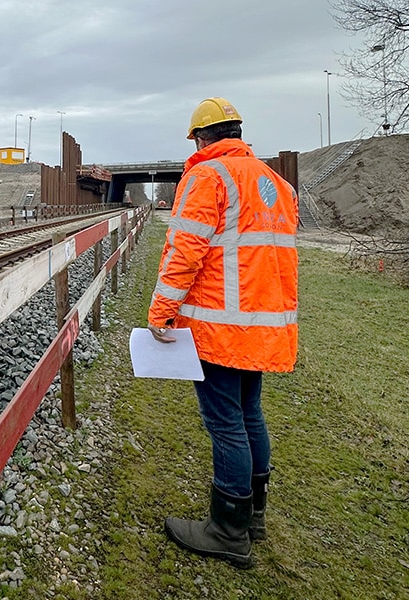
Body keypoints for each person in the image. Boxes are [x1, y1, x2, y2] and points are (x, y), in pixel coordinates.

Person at [147, 97, 298, 569]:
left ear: (200, 138)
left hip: (218, 327)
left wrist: (161, 312)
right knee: (250, 412)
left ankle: (228, 530)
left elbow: (186, 251)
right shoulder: (277, 184)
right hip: (263, 326)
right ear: (237, 132)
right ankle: (253, 516)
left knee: (226, 423)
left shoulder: (208, 177)